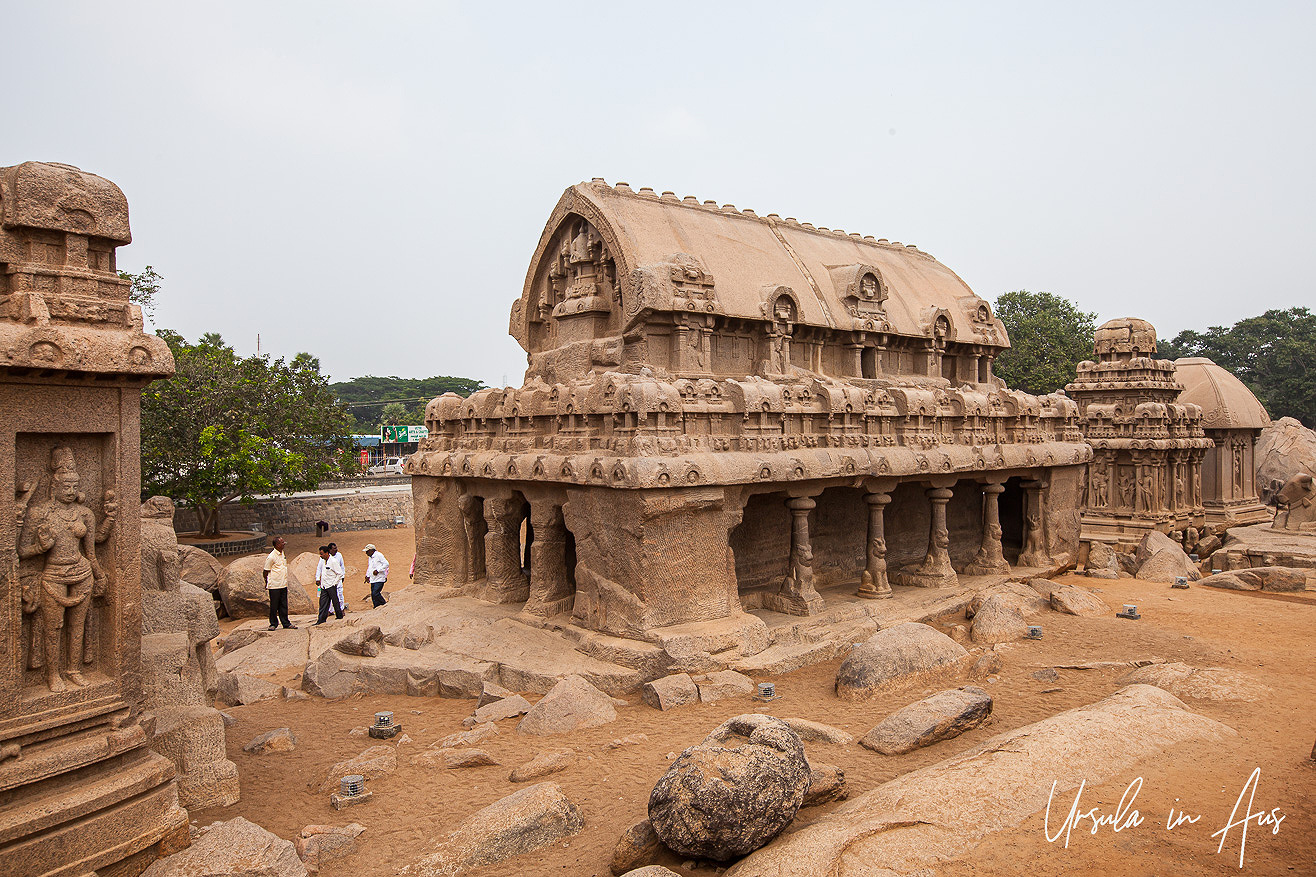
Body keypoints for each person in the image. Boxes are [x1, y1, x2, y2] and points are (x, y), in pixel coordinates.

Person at [263, 536, 296, 630]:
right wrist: (266, 581)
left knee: (283, 604)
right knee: (274, 605)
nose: (283, 544)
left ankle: (285, 622)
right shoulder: (271, 557)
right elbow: (266, 571)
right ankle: (273, 623)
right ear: (277, 545)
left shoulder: (282, 554)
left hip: (283, 583)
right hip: (274, 585)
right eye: (282, 543)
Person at [314, 544, 345, 624]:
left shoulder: (333, 561)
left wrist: (334, 583)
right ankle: (321, 620)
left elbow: (339, 573)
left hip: (331, 585)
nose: (320, 555)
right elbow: (319, 570)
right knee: (323, 603)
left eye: (322, 553)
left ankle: (339, 616)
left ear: (327, 553)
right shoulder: (323, 561)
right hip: (324, 586)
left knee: (335, 601)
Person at [363, 543, 389, 607]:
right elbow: (370, 567)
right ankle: (376, 607)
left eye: (367, 551)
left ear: (372, 550)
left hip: (379, 578)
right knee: (373, 595)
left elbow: (386, 564)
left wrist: (378, 570)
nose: (366, 553)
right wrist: (367, 575)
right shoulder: (370, 558)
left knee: (376, 593)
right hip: (373, 579)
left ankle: (384, 604)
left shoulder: (379, 555)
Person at [328, 542, 347, 612]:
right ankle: (330, 610)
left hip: (338, 578)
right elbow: (320, 568)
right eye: (334, 548)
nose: (336, 550)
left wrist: (343, 576)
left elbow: (342, 566)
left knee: (340, 594)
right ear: (330, 550)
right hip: (329, 579)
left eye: (336, 548)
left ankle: (341, 609)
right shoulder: (326, 557)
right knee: (329, 595)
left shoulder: (339, 555)